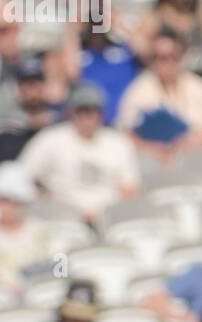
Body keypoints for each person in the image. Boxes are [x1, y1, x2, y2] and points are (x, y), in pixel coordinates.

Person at [19, 82, 139, 226]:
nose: (87, 117)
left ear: (101, 114)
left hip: (109, 218)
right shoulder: (50, 139)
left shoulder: (117, 142)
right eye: (82, 111)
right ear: (70, 112)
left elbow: (129, 187)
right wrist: (44, 197)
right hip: (62, 217)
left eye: (92, 111)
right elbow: (22, 175)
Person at [116, 32, 202, 157]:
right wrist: (152, 147)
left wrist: (194, 142)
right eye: (160, 57)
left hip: (197, 157)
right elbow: (127, 133)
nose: (167, 63)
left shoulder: (200, 87)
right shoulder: (138, 89)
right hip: (152, 159)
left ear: (182, 57)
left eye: (172, 57)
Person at [0, 163, 56, 295]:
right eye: (1, 200)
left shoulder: (40, 230)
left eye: (13, 202)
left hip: (36, 295)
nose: (6, 207)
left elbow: (54, 267)